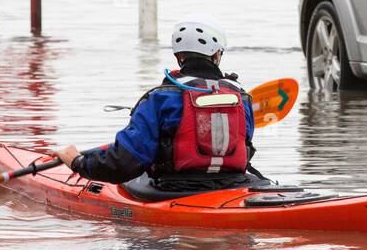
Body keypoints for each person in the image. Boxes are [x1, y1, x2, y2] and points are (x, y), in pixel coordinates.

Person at [54, 16, 257, 189]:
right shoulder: (242, 97)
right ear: (216, 55)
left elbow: (124, 164)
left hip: (173, 189)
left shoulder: (159, 98)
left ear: (179, 57)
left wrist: (78, 162)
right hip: (234, 185)